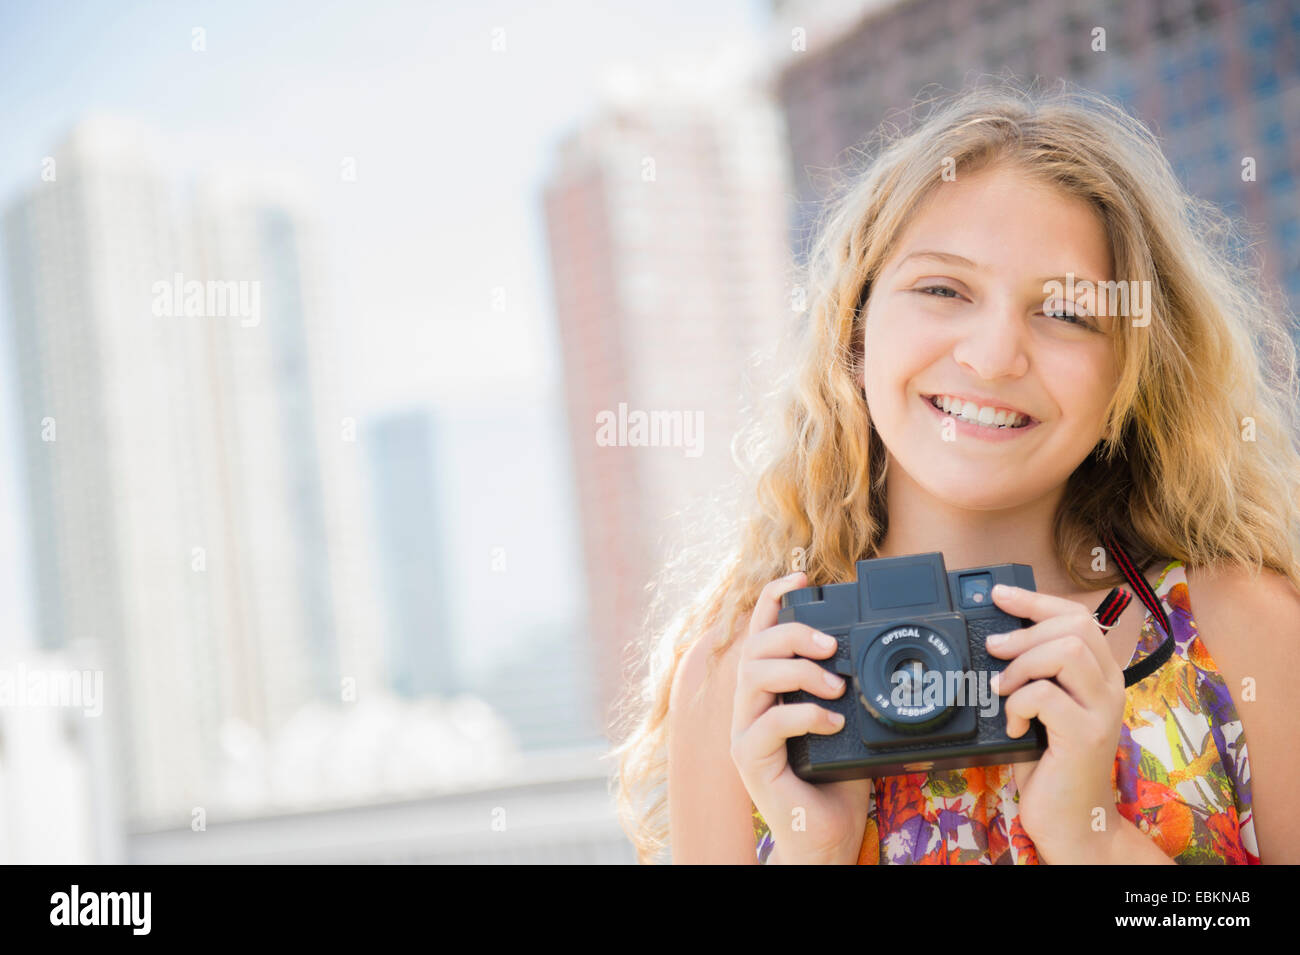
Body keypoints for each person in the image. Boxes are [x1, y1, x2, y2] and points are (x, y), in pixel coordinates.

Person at [610, 79, 1300, 865]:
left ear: (1131, 375)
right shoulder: (749, 676)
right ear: (856, 329)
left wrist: (1090, 836)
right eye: (943, 289)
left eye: (1067, 312)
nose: (994, 355)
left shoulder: (1240, 631)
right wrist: (817, 849)